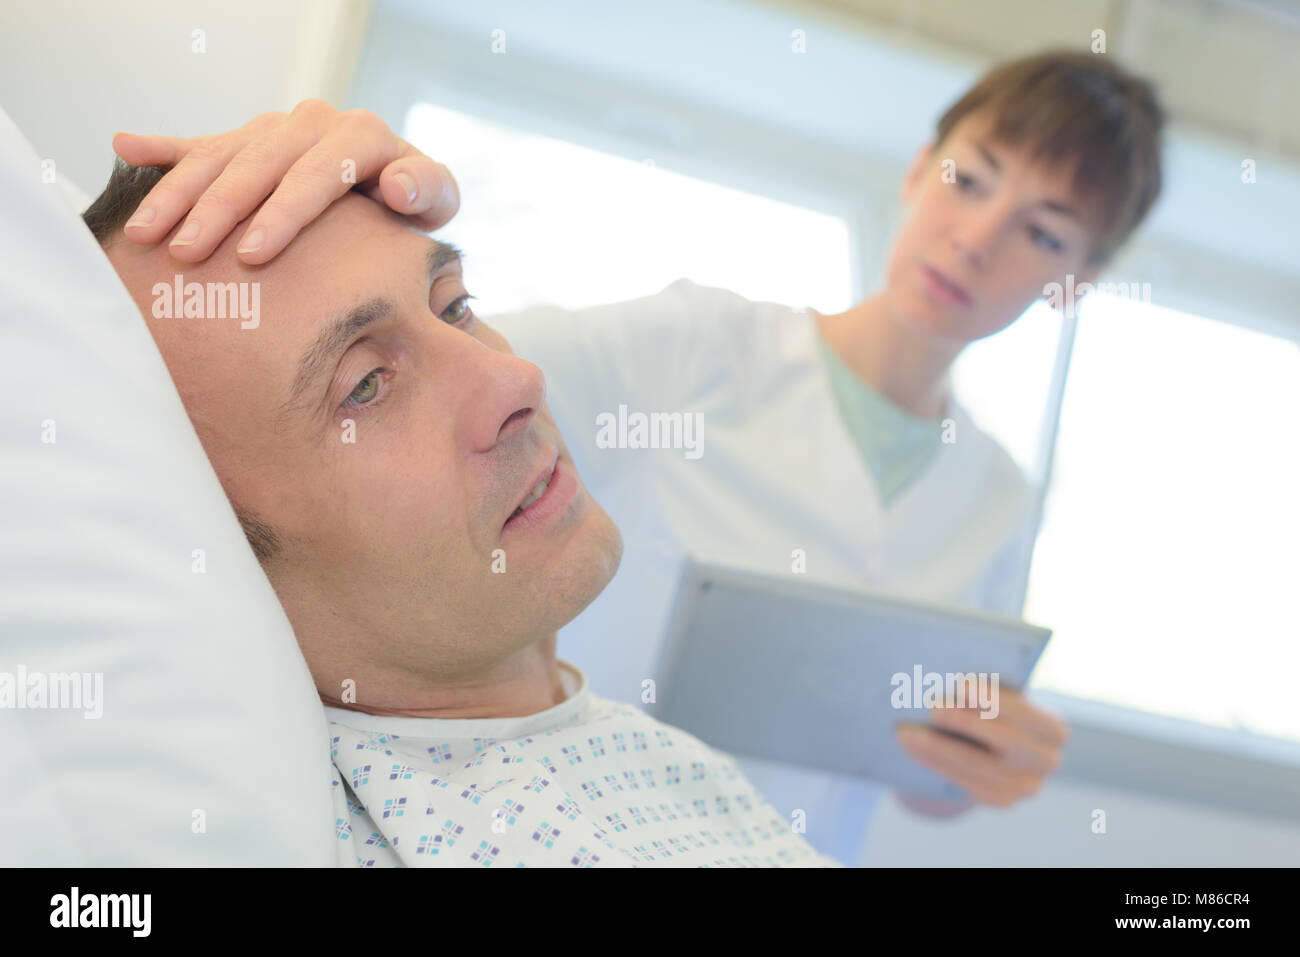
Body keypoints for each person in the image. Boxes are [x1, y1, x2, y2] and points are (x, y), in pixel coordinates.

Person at [477, 49, 1164, 860]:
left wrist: (989, 759)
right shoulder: (696, 348)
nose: (976, 239)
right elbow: (467, 374)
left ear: (1076, 283)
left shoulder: (998, 499)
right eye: (969, 180)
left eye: (1043, 232)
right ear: (918, 170)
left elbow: (925, 769)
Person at [80, 147, 840, 867]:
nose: (518, 380)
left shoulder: (690, 774)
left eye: (455, 306)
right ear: (220, 546)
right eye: (367, 385)